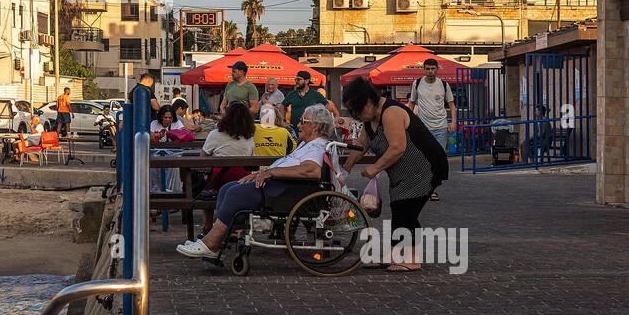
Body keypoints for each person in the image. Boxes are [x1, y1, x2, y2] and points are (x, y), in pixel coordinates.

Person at [176, 105, 337, 258]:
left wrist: (270, 172)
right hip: (281, 186)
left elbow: (312, 170)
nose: (298, 124)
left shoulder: (317, 146)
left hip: (284, 191)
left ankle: (211, 242)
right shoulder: (307, 144)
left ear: (315, 127)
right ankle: (219, 239)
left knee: (234, 193)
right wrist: (264, 173)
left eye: (303, 121)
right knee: (228, 188)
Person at [340, 76, 447, 271]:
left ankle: (411, 259)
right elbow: (361, 145)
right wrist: (344, 169)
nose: (357, 115)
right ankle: (395, 254)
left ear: (370, 101)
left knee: (406, 211)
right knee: (399, 208)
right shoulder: (369, 119)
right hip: (403, 173)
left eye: (359, 109)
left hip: (425, 168)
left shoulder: (391, 112)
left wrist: (375, 167)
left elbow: (397, 147)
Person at [407, 57, 457, 200]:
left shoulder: (443, 84)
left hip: (441, 127)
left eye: (433, 69)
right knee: (424, 159)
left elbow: (451, 105)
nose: (430, 72)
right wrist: (409, 122)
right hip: (423, 128)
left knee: (438, 160)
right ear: (424, 70)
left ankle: (431, 189)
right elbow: (411, 104)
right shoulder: (417, 84)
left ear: (437, 69)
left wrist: (453, 122)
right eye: (427, 69)